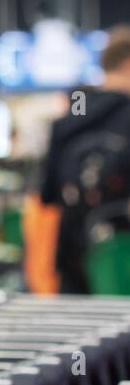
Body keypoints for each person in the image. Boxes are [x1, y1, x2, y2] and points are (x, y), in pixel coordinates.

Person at [34, 25, 130, 294]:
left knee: (74, 326)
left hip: (71, 248)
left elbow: (47, 194)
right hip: (119, 250)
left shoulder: (74, 104)